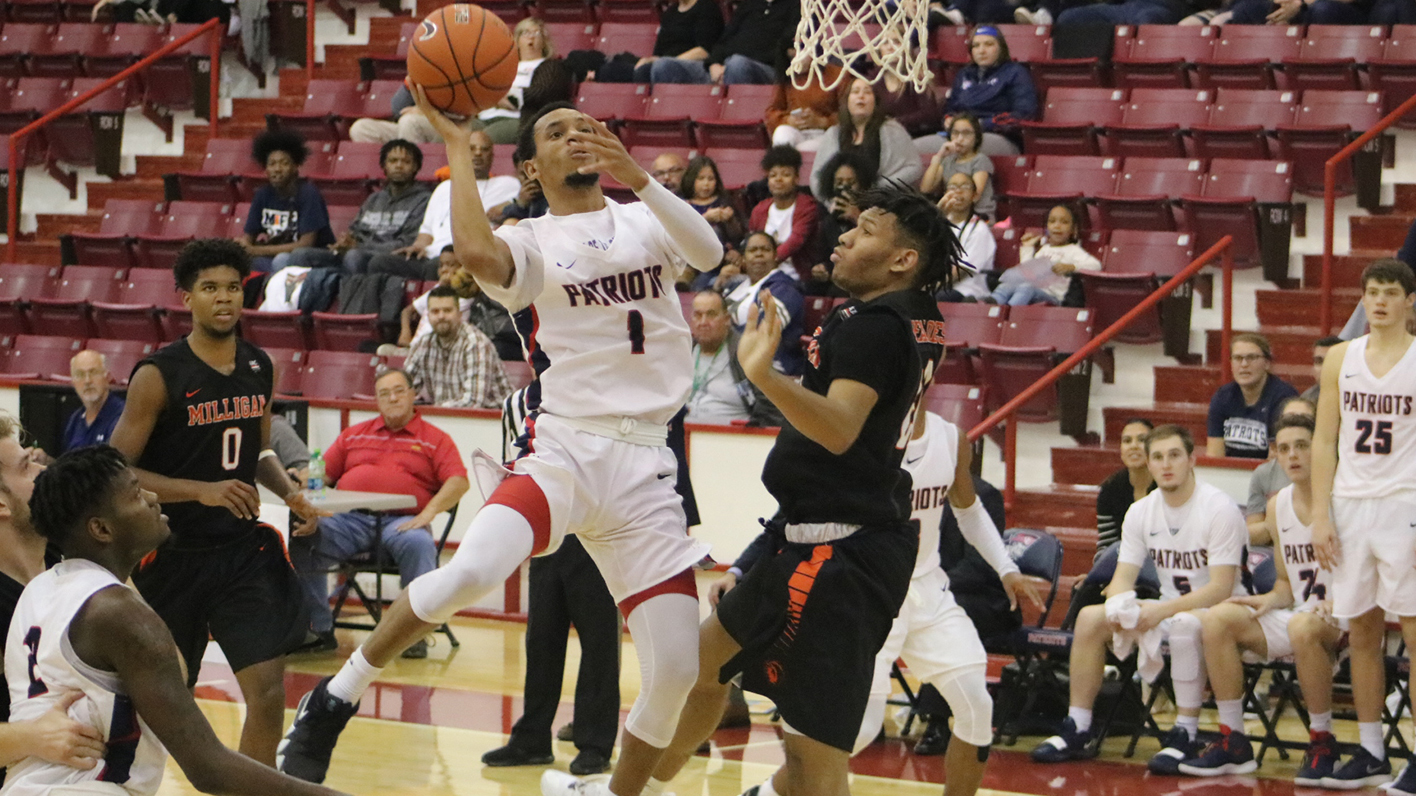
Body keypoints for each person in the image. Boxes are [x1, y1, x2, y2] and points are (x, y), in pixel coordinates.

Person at [277, 92, 725, 796]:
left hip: (648, 466)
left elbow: (710, 251)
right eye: (556, 131)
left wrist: (637, 174)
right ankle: (334, 696)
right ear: (530, 170)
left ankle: (613, 793)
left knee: (675, 669)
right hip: (567, 448)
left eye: (584, 125)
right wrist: (458, 148)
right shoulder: (530, 239)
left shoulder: (645, 215)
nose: (576, 135)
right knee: (473, 572)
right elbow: (478, 256)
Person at [647, 186, 958, 796]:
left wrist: (764, 374)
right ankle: (640, 789)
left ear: (902, 260)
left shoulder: (875, 326)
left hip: (841, 556)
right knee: (701, 667)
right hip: (809, 536)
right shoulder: (918, 315)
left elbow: (841, 429)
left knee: (814, 756)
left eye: (865, 230)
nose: (842, 237)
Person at [717, 409, 1039, 796]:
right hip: (872, 590)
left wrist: (1006, 568)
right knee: (858, 732)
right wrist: (739, 569)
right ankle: (767, 793)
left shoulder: (951, 438)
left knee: (976, 705)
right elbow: (797, 515)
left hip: (928, 592)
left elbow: (968, 510)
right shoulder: (862, 437)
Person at [7, 445, 347, 796]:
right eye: (137, 494)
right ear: (101, 530)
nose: (154, 498)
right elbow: (208, 768)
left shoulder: (39, 590)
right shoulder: (116, 613)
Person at [109, 238, 326, 766]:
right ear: (186, 297)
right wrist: (200, 490)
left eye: (233, 287)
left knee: (269, 692)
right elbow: (114, 472)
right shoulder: (159, 376)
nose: (224, 298)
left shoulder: (258, 365)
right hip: (172, 555)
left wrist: (290, 493)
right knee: (165, 699)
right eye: (210, 288)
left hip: (239, 553)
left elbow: (257, 451)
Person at [1031, 425, 1248, 775]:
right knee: (1090, 617)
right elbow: (1121, 580)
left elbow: (1222, 587)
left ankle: (1185, 733)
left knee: (1185, 624)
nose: (1166, 465)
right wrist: (1120, 607)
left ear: (1192, 459)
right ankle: (1079, 726)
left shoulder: (1218, 508)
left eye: (1175, 455)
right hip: (1168, 607)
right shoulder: (1141, 512)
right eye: (1158, 457)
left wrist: (1160, 609)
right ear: (1147, 463)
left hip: (1218, 614)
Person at [1176, 413, 1348, 782]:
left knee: (1303, 625)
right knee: (1217, 617)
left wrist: (1339, 602)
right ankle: (1233, 740)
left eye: (1302, 445)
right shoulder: (1277, 506)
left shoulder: (1344, 497)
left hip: (1349, 616)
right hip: (1302, 614)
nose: (1293, 455)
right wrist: (1269, 599)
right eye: (1284, 448)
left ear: (1320, 448)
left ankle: (1322, 740)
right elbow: (1287, 582)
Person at [1310, 258, 1416, 793]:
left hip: (1405, 503)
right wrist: (1319, 513)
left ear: (1409, 301)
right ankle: (1372, 749)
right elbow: (1323, 438)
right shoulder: (1341, 359)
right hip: (1350, 505)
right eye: (1372, 292)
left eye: (1390, 292)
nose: (1379, 301)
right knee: (1363, 632)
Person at [290, 367, 469, 658]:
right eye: (384, 394)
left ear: (413, 395)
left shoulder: (435, 439)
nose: (393, 398)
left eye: (399, 391)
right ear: (375, 400)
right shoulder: (354, 435)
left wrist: (429, 513)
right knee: (304, 537)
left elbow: (459, 481)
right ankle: (317, 630)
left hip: (401, 523)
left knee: (420, 544)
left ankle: (412, 636)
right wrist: (300, 476)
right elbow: (323, 474)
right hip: (350, 521)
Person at [0, 413, 108, 787]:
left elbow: (171, 668)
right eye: (27, 466)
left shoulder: (72, 559)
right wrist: (31, 737)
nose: (44, 471)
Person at [481, 532, 621, 776]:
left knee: (599, 646)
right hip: (550, 537)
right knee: (541, 641)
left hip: (597, 539)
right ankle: (532, 738)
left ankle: (595, 745)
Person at [366, 130, 522, 281]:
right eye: (472, 149)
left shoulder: (509, 185)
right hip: (430, 255)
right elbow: (426, 232)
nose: (478, 153)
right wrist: (418, 246)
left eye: (484, 149)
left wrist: (509, 205)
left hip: (464, 258)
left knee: (436, 266)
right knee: (378, 263)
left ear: (492, 156)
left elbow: (522, 205)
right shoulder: (443, 188)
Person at [284, 140, 432, 275]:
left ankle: (352, 298)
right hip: (355, 253)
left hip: (384, 260)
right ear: (384, 166)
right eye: (393, 161)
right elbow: (355, 231)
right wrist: (345, 241)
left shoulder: (423, 200)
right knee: (300, 255)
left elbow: (406, 243)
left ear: (416, 167)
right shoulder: (374, 198)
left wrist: (360, 247)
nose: (399, 166)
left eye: (406, 162)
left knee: (354, 256)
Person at [809, 78, 925, 200]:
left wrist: (877, 190)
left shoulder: (892, 130)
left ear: (875, 101)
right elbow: (816, 179)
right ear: (847, 101)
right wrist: (831, 203)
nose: (861, 96)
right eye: (855, 92)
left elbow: (914, 168)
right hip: (840, 205)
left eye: (867, 92)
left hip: (885, 203)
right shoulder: (833, 133)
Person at [238, 130, 335, 274]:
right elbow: (248, 238)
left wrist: (256, 250)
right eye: (272, 164)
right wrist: (244, 247)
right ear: (266, 169)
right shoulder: (262, 195)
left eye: (284, 163)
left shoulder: (309, 193)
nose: (277, 169)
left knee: (282, 260)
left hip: (314, 256)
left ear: (296, 167)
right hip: (275, 256)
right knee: (237, 261)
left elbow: (306, 244)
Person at [399, 246, 519, 360]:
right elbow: (408, 310)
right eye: (441, 266)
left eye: (451, 265)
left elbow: (463, 290)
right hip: (415, 346)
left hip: (439, 350)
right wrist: (405, 333)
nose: (444, 269)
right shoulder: (437, 289)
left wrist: (455, 281)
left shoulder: (466, 293)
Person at [404, 285, 513, 409]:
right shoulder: (424, 344)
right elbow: (405, 387)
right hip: (450, 418)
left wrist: (435, 410)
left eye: (447, 310)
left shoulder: (475, 343)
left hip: (493, 419)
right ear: (428, 316)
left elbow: (472, 402)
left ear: (459, 314)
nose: (441, 316)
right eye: (435, 311)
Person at [649, 0, 798, 85]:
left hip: (764, 69)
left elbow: (784, 49)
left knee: (737, 64)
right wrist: (714, 64)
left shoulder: (796, 5)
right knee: (663, 66)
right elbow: (723, 40)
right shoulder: (749, 4)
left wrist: (731, 63)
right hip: (723, 66)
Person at [942, 27, 1038, 157]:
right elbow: (950, 109)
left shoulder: (1016, 73)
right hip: (959, 134)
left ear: (1001, 48)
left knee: (955, 151)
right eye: (976, 45)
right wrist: (949, 120)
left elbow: (1024, 114)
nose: (981, 51)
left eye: (989, 44)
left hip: (998, 136)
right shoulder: (964, 74)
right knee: (916, 149)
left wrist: (980, 125)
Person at [687, 290, 776, 425]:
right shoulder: (683, 352)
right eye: (698, 315)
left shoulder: (745, 353)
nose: (703, 322)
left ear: (727, 320)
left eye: (711, 315)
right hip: (682, 436)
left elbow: (770, 409)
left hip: (732, 439)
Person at [1206, 332, 1300, 459]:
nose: (1244, 364)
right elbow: (1214, 454)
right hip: (1229, 474)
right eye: (1238, 358)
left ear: (1267, 363)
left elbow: (1277, 459)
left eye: (1252, 358)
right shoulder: (1222, 397)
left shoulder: (1284, 398)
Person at [723, 232, 805, 376]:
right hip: (729, 360)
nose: (759, 254)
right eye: (753, 250)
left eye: (765, 250)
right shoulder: (734, 287)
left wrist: (718, 337)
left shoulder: (786, 289)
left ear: (775, 256)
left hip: (771, 367)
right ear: (743, 259)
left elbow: (762, 333)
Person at [989, 204, 1099, 306]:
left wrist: (1072, 267)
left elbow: (1096, 265)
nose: (1057, 226)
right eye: (1052, 221)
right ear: (1046, 227)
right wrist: (1028, 247)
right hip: (1032, 287)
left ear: (1073, 229)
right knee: (1009, 284)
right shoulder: (1044, 249)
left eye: (1064, 222)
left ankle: (1009, 311)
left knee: (1026, 287)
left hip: (1052, 297)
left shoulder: (1073, 250)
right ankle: (991, 302)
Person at [1244, 397, 1315, 545]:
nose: (1294, 425)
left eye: (1303, 419)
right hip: (1273, 550)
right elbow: (1249, 534)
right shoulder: (1264, 475)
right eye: (1289, 418)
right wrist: (1282, 521)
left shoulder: (1335, 473)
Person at [478, 18, 553, 144]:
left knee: (479, 141)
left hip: (517, 119)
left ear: (544, 41)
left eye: (536, 33)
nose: (531, 38)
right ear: (517, 40)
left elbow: (541, 93)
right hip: (485, 115)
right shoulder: (504, 65)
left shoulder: (549, 67)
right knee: (450, 135)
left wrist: (501, 96)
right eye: (525, 33)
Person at [750, 146, 820, 279]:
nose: (778, 179)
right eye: (773, 175)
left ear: (797, 179)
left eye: (786, 175)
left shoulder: (807, 207)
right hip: (761, 274)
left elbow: (795, 242)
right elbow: (752, 242)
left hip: (795, 276)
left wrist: (759, 261)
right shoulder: (759, 210)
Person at [1094, 418, 1155, 556]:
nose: (1134, 446)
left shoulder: (1167, 487)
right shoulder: (1109, 490)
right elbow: (1106, 545)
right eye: (1127, 441)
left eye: (1141, 440)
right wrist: (1097, 573)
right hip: (1125, 566)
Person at [921, 113, 995, 221]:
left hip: (978, 215)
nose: (960, 139)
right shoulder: (947, 161)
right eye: (955, 133)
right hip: (953, 213)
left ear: (976, 137)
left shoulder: (980, 160)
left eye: (966, 133)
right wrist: (939, 156)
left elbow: (973, 197)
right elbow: (926, 188)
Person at [935, 171, 995, 302]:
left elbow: (964, 269)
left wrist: (932, 286)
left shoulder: (979, 229)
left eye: (964, 187)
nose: (958, 192)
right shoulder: (937, 224)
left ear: (975, 196)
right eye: (952, 187)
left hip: (966, 289)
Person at [633, 0, 723, 83]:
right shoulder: (670, 13)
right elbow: (659, 53)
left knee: (663, 67)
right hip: (665, 63)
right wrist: (649, 60)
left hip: (695, 65)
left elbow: (705, 51)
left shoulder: (707, 8)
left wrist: (671, 61)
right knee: (636, 69)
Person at [679, 156, 745, 268]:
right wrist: (704, 219)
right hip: (693, 258)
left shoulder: (724, 201)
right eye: (700, 178)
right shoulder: (682, 204)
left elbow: (738, 236)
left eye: (710, 179)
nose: (706, 184)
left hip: (724, 259)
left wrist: (730, 220)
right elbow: (681, 234)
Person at [765, 63, 844, 151]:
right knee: (781, 132)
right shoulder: (787, 74)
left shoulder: (837, 74)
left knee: (802, 149)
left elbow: (850, 113)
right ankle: (782, 163)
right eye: (792, 51)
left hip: (827, 133)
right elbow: (772, 113)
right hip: (798, 131)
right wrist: (789, 120)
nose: (797, 55)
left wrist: (822, 121)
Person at [62, 350, 125, 453]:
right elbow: (67, 464)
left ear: (108, 377)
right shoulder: (75, 419)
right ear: (73, 382)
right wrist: (46, 461)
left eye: (94, 372)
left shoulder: (121, 416)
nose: (87, 381)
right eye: (80, 374)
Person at [347, 84, 442, 145]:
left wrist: (428, 112)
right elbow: (397, 110)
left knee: (409, 121)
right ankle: (389, 174)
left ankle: (412, 174)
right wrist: (410, 83)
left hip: (447, 129)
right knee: (361, 129)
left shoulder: (454, 68)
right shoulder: (425, 67)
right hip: (412, 129)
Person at [1302, 336, 1342, 404]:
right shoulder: (1306, 399)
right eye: (1319, 361)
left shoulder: (1357, 396)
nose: (1324, 368)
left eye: (1330, 361)